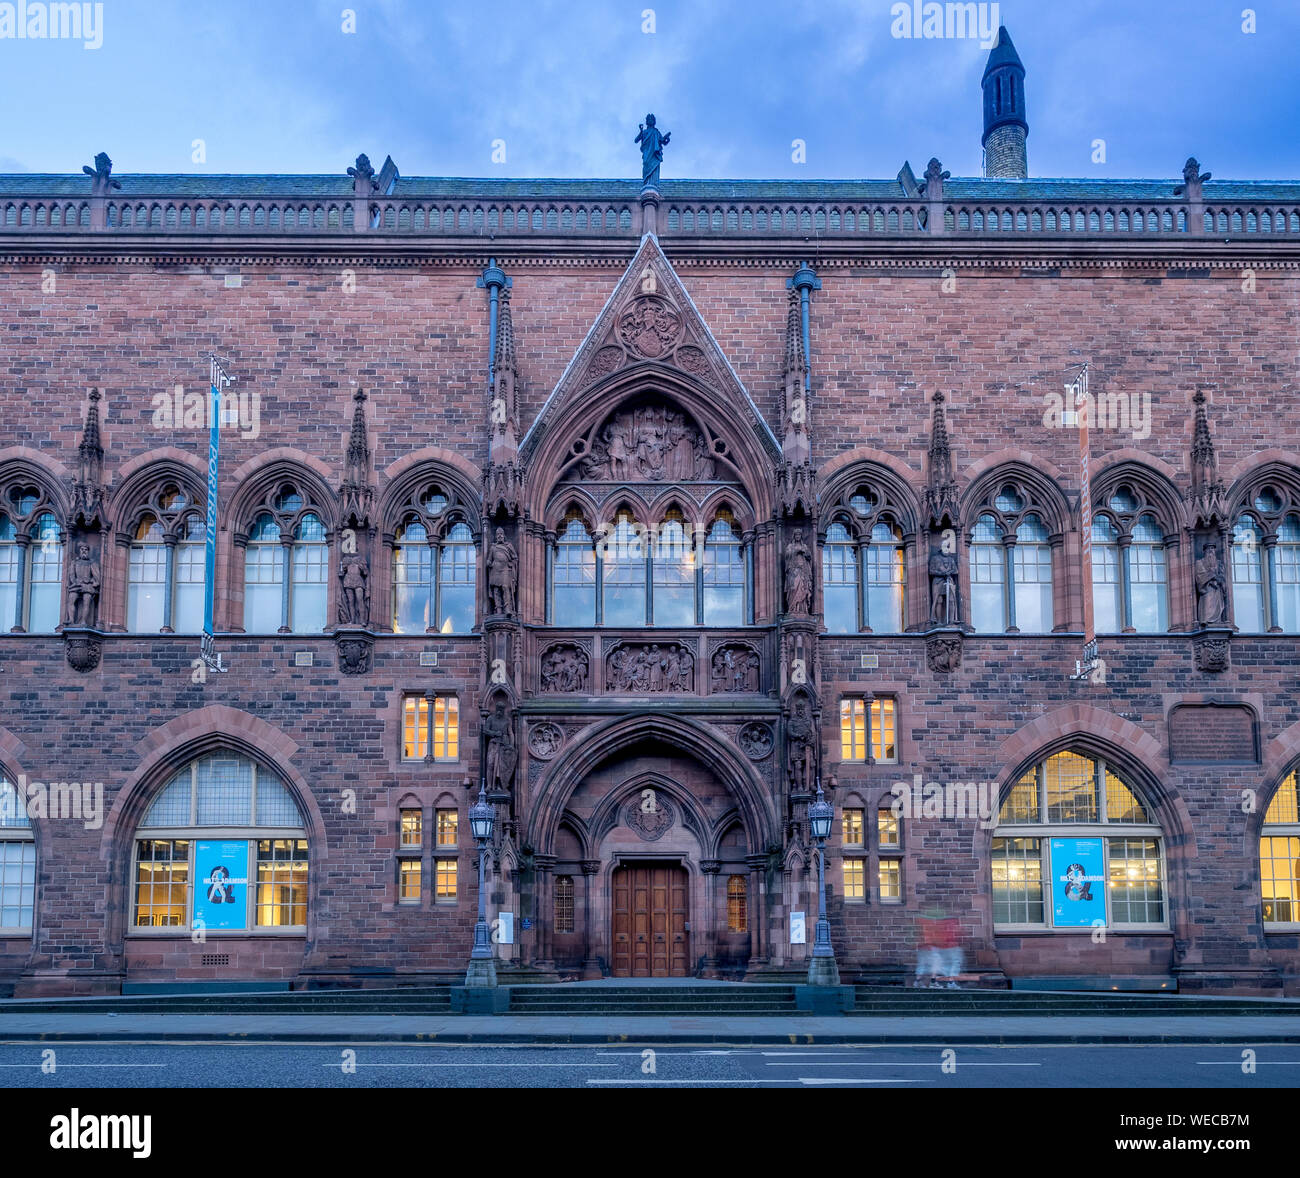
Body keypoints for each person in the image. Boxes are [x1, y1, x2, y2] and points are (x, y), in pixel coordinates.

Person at [915, 907, 963, 988]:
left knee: (924, 964)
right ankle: (947, 982)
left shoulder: (923, 921)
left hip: (924, 947)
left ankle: (918, 981)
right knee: (942, 963)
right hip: (938, 946)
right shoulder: (947, 922)